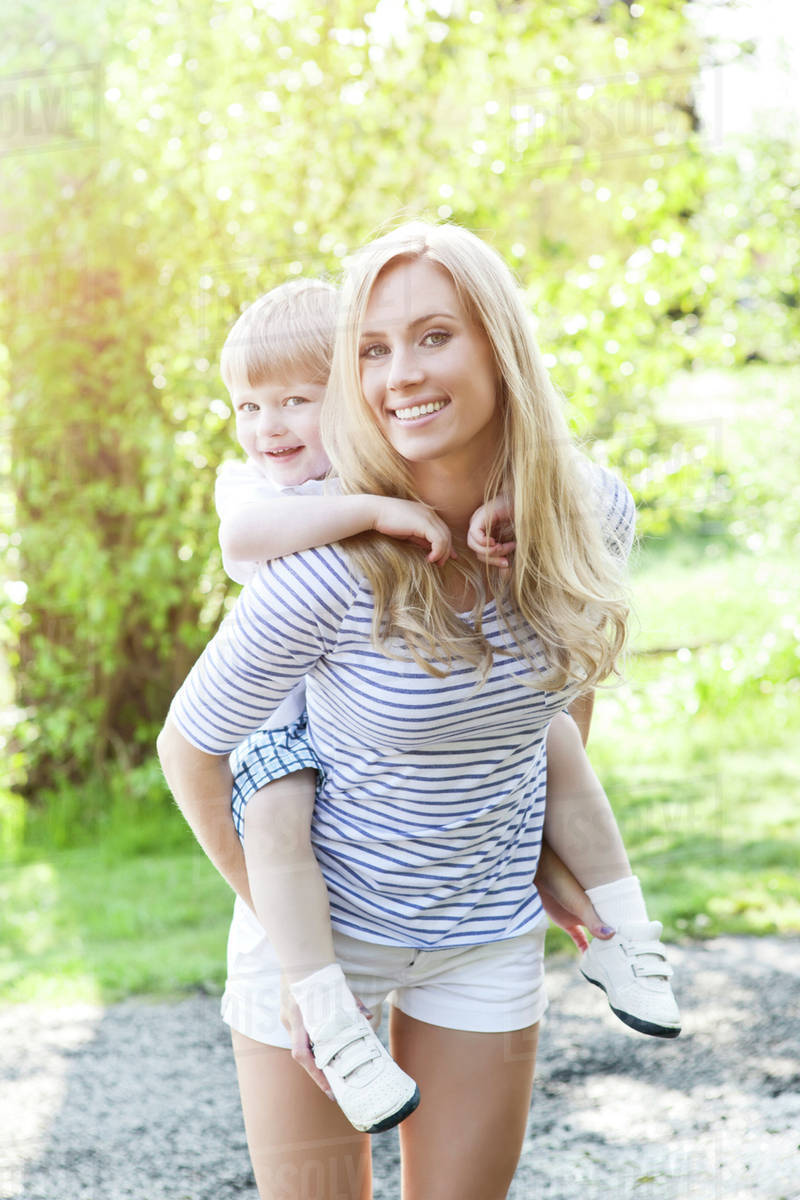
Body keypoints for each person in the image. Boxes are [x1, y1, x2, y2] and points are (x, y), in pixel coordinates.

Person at [159, 222, 678, 1200]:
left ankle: (628, 938)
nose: (400, 371)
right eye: (373, 347)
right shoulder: (317, 567)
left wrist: (537, 849)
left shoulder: (588, 511)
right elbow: (190, 751)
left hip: (480, 929)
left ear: (498, 345)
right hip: (320, 934)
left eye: (433, 336)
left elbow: (561, 697)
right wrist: (284, 938)